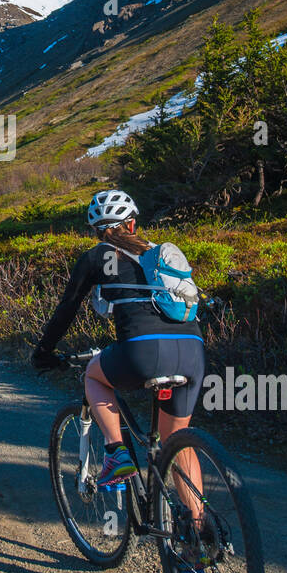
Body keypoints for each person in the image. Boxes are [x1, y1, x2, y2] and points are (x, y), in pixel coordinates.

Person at [31, 189, 206, 493]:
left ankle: (116, 453)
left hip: (143, 351)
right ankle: (202, 531)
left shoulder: (97, 256)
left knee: (94, 376)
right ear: (132, 224)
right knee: (177, 444)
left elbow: (67, 309)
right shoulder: (159, 252)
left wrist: (44, 351)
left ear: (96, 232)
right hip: (193, 351)